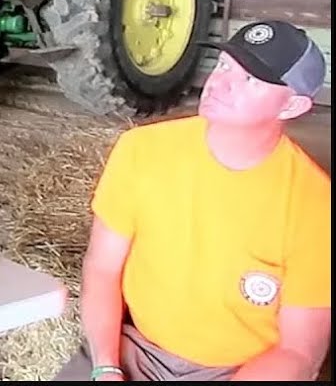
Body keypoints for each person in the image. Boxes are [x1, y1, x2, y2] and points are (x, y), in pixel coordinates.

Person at [55, 20, 331, 382]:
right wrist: (107, 367)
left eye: (249, 79)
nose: (220, 82)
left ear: (291, 106)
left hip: (238, 371)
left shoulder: (316, 206)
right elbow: (102, 268)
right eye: (223, 65)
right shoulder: (142, 150)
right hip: (135, 348)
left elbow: (300, 351)